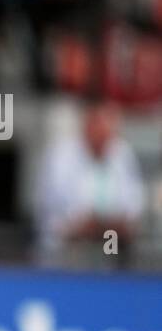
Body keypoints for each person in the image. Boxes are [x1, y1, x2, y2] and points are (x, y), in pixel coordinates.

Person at [36, 100, 146, 268]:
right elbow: (50, 211)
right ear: (87, 129)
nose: (104, 142)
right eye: (99, 135)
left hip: (112, 245)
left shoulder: (122, 153)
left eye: (108, 135)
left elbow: (134, 203)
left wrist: (112, 222)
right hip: (64, 252)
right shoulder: (60, 157)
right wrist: (81, 224)